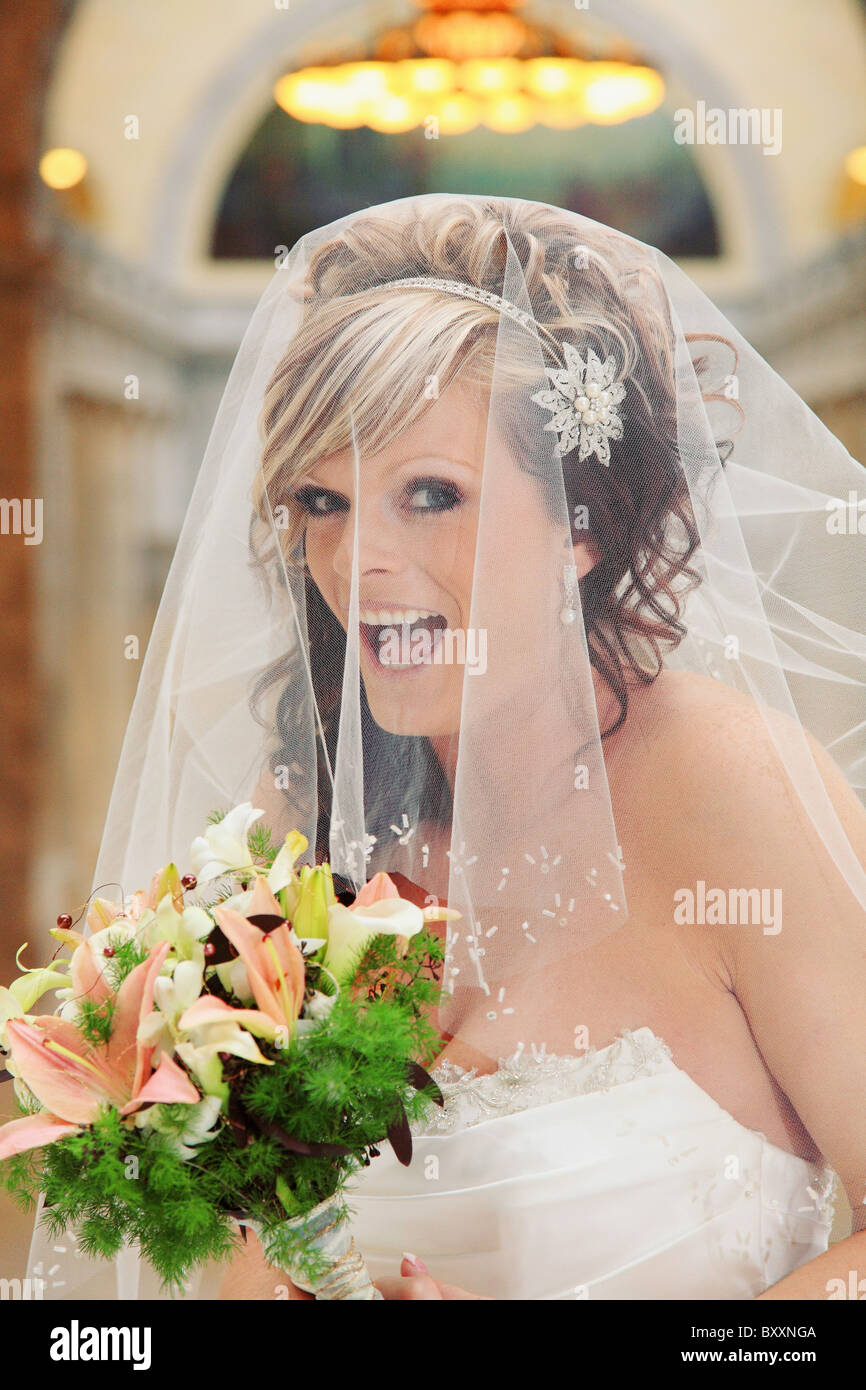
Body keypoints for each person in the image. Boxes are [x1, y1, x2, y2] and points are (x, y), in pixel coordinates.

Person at [35, 194, 866, 1300]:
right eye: (322, 500)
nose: (359, 561)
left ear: (580, 524)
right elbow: (233, 1248)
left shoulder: (736, 796)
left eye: (431, 494)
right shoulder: (293, 830)